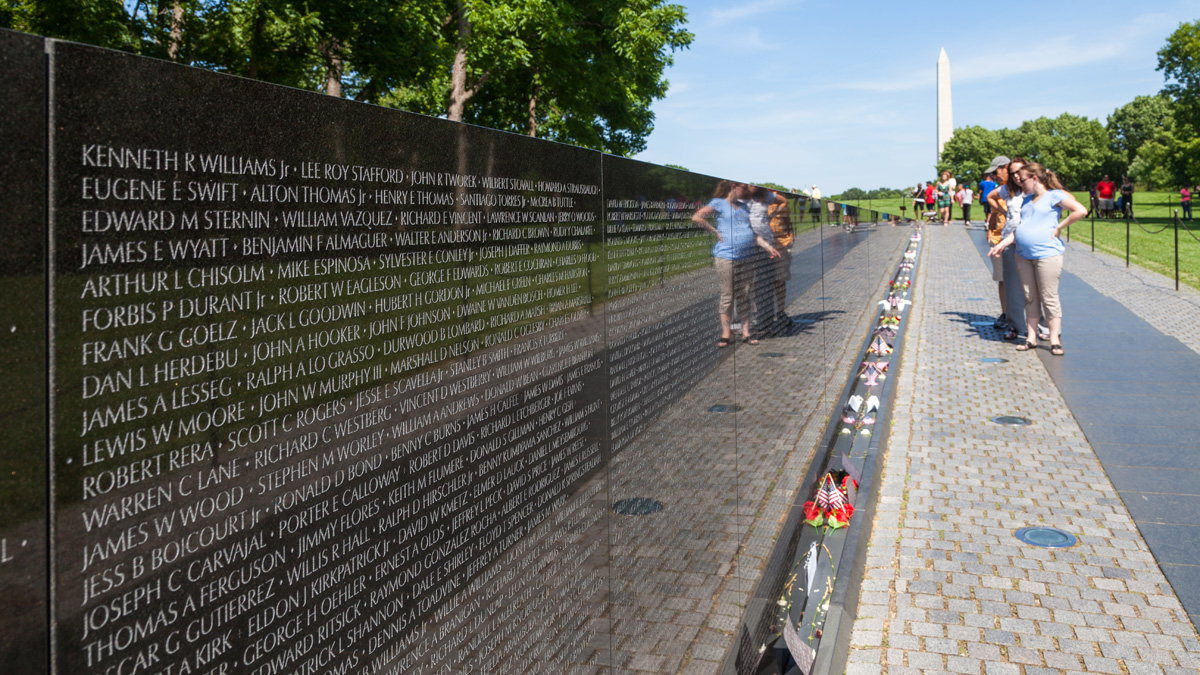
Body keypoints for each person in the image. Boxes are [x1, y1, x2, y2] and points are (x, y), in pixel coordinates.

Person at [988, 163, 1088, 355]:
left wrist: (1060, 226)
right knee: (1030, 297)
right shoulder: (1027, 200)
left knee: (1048, 297)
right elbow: (1020, 230)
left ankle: (1054, 339)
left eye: (1023, 179)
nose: (1020, 183)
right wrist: (1002, 244)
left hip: (1047, 255)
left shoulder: (1054, 195)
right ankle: (1031, 338)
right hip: (1024, 256)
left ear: (1035, 178)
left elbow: (1080, 210)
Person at [693, 181, 780, 346]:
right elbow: (697, 217)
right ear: (734, 187)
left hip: (747, 257)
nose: (748, 192)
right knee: (728, 295)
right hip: (726, 257)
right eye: (745, 188)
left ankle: (745, 332)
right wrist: (714, 231)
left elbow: (753, 234)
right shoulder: (719, 203)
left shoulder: (745, 208)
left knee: (745, 294)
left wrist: (768, 246)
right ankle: (726, 334)